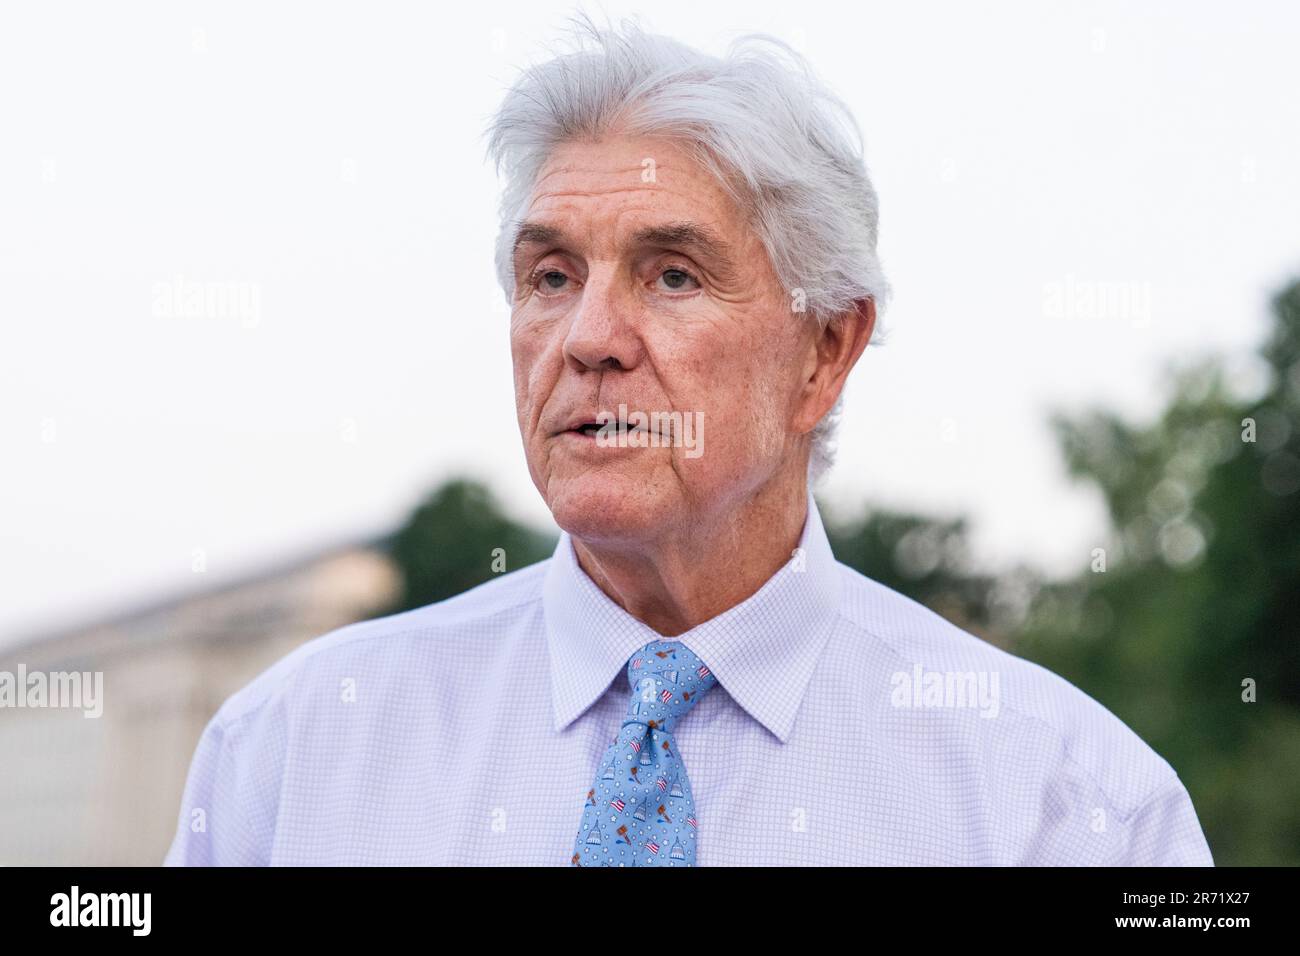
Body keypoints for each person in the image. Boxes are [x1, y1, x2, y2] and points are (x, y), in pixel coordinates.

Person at [164, 16, 1213, 866]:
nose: (587, 340)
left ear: (825, 352)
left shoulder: (1068, 806)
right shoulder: (297, 751)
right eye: (551, 276)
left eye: (672, 274)